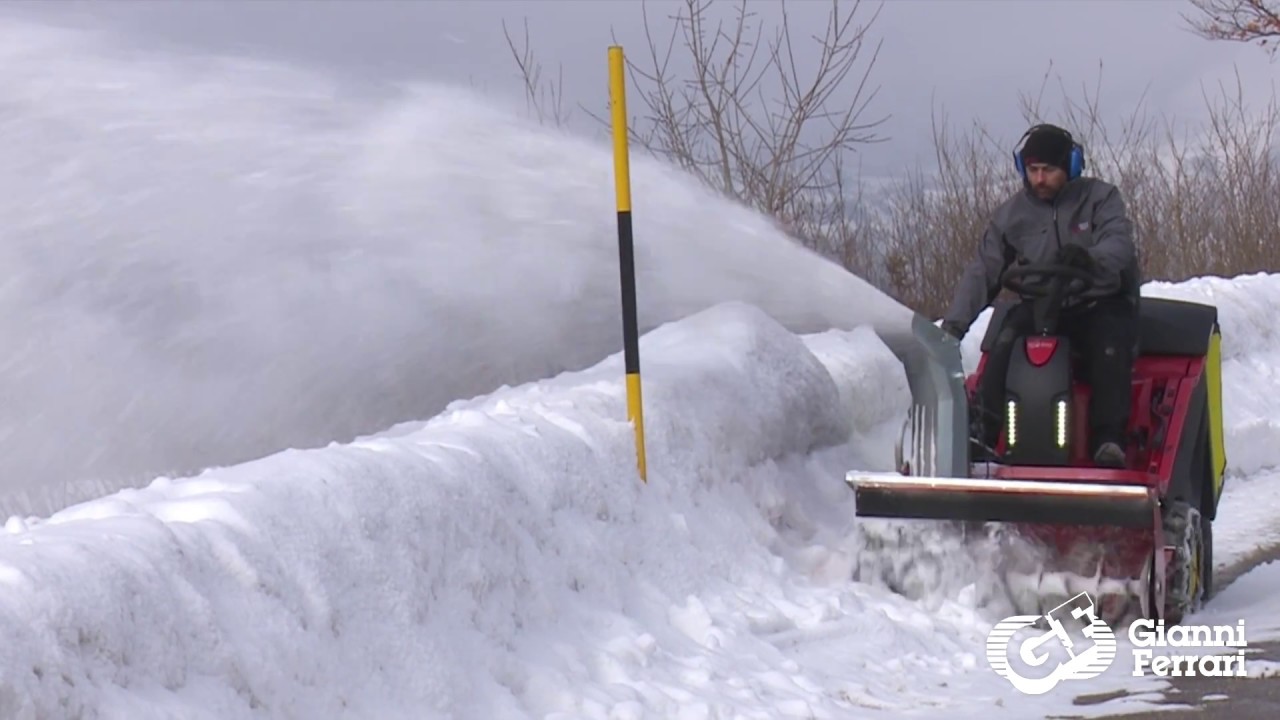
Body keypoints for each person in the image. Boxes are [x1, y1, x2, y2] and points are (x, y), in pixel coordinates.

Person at [939, 123, 1141, 468]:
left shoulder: (1100, 198)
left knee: (1110, 345)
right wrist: (952, 328)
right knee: (1005, 341)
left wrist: (1090, 259)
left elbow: (1118, 243)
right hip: (1040, 304)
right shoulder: (1011, 215)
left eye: (1048, 170)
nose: (1040, 179)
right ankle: (982, 432)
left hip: (1096, 302)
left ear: (1071, 166)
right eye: (1032, 170)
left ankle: (1108, 440)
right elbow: (984, 270)